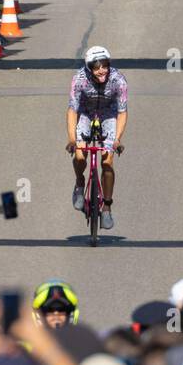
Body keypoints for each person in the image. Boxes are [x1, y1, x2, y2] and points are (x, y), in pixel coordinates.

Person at [66, 45, 128, 230]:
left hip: (109, 114)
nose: (101, 71)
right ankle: (79, 182)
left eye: (105, 66)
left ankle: (107, 206)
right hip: (86, 112)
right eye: (96, 67)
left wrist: (117, 139)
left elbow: (123, 113)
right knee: (79, 155)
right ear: (89, 68)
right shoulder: (79, 79)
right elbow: (72, 110)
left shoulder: (119, 80)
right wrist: (72, 139)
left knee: (107, 162)